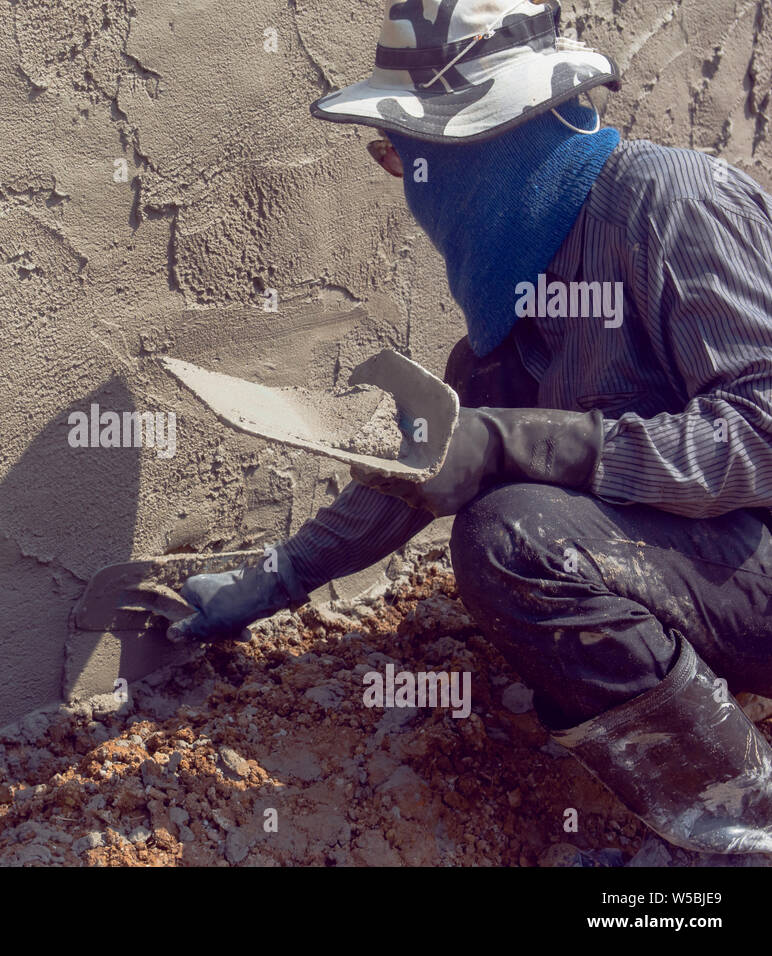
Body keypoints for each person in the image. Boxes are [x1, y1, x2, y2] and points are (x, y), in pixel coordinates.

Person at [173, 0, 772, 855]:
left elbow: (762, 438)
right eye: (392, 156)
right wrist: (271, 583)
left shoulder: (671, 203)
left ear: (501, 132)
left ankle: (740, 838)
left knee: (515, 537)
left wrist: (520, 442)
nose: (409, 177)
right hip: (726, 583)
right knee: (517, 536)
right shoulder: (515, 312)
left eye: (415, 152)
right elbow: (420, 475)